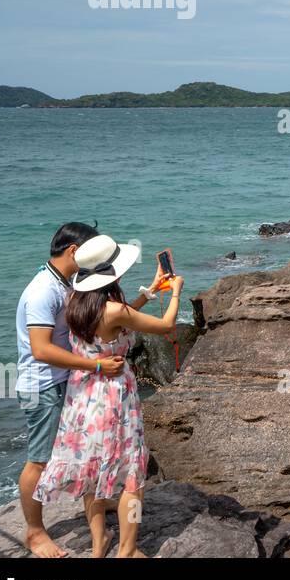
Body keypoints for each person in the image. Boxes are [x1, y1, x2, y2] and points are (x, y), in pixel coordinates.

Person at [33, 234, 183, 558]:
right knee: (132, 478)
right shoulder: (113, 309)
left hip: (82, 394)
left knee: (91, 470)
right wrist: (176, 291)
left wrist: (150, 290)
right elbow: (166, 325)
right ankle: (127, 550)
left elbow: (120, 321)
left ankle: (99, 541)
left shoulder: (75, 301)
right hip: (115, 397)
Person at [16, 222, 129, 558]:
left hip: (65, 379)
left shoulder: (63, 282)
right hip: (43, 386)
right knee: (39, 461)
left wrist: (145, 295)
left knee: (87, 451)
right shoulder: (42, 290)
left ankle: (97, 503)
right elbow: (41, 349)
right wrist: (96, 366)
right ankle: (35, 532)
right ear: (74, 251)